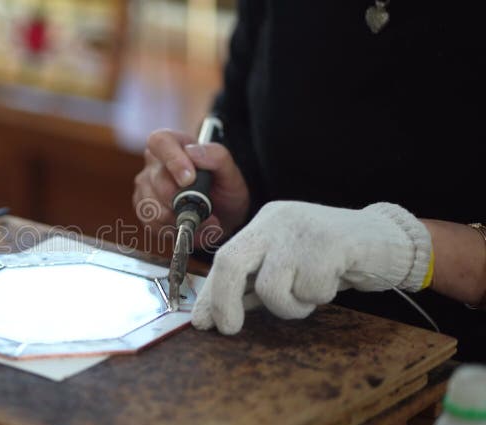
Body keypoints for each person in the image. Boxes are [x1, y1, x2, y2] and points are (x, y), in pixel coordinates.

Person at [132, 1, 485, 361]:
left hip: (457, 378)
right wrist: (227, 203)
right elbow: (236, 120)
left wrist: (406, 250)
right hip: (274, 345)